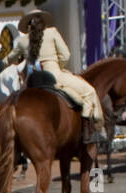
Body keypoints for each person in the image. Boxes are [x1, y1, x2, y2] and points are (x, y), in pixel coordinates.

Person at [20, 10, 106, 144]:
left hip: (31, 80)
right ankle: (88, 131)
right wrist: (58, 65)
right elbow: (66, 55)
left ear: (27, 25)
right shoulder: (52, 32)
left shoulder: (21, 40)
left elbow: (10, 59)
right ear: (43, 22)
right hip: (54, 75)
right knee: (89, 92)